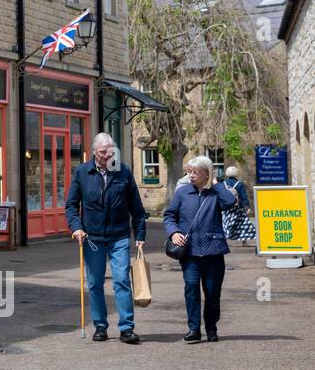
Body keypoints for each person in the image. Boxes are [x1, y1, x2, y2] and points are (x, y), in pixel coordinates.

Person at [66, 133, 148, 344]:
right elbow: (71, 205)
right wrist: (76, 227)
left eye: (111, 151)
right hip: (92, 237)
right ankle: (100, 326)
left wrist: (140, 234)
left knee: (121, 280)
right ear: (94, 151)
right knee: (95, 283)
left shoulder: (123, 171)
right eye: (103, 152)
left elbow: (136, 207)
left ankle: (126, 328)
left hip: (119, 235)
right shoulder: (82, 172)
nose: (107, 155)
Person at [164, 156, 239, 342]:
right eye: (189, 171)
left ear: (206, 173)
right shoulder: (182, 193)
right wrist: (173, 232)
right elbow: (169, 216)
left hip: (213, 251)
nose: (190, 175)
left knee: (212, 292)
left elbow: (230, 202)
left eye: (195, 172)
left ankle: (211, 328)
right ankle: (194, 329)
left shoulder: (216, 193)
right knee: (191, 289)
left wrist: (216, 183)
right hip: (189, 252)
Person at [221, 166, 256, 244]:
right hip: (238, 208)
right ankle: (244, 241)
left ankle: (224, 241)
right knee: (242, 223)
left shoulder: (223, 183)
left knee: (225, 223)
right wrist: (247, 206)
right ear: (236, 173)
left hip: (226, 208)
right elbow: (244, 196)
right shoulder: (239, 184)